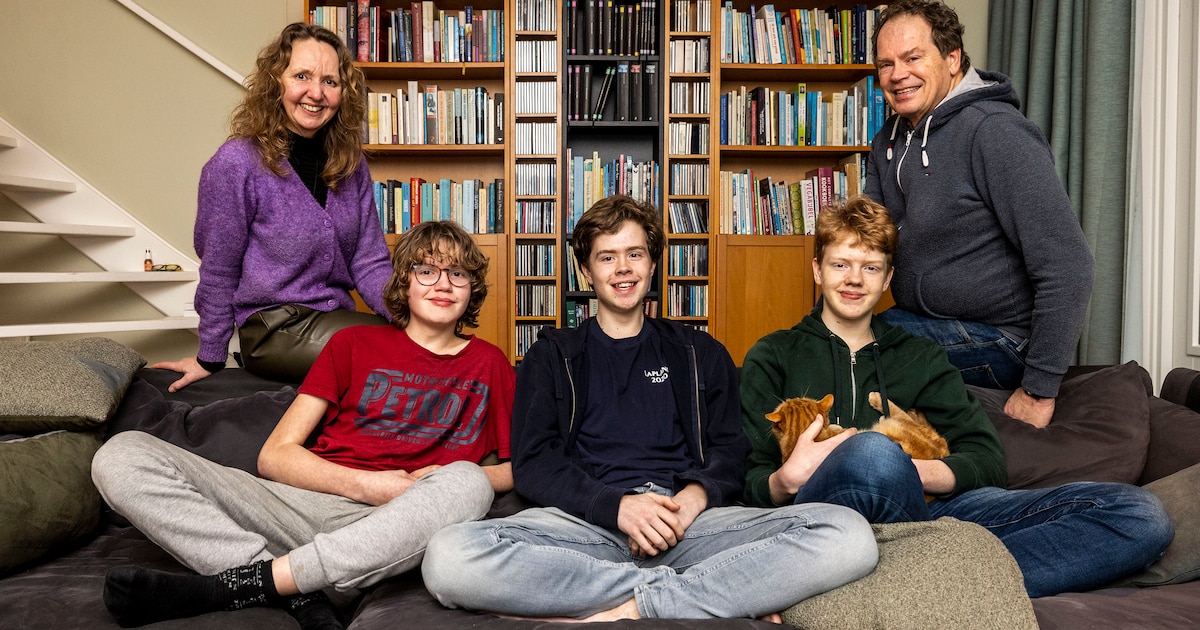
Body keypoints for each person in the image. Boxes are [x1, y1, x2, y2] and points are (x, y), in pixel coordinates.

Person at [420, 195, 877, 622]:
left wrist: (693, 499)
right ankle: (697, 592)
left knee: (848, 534)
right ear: (586, 271)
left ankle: (635, 604)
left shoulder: (700, 353)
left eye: (635, 254)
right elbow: (534, 462)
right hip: (585, 526)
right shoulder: (552, 355)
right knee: (450, 557)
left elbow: (730, 449)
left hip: (687, 524)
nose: (623, 268)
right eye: (607, 257)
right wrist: (617, 507)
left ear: (653, 263)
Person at [740, 196, 1172, 598]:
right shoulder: (773, 354)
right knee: (869, 451)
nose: (854, 279)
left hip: (930, 516)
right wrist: (784, 481)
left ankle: (918, 583)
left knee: (1138, 514)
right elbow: (747, 480)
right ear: (818, 270)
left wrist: (907, 471)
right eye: (841, 264)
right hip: (824, 519)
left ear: (888, 278)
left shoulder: (920, 356)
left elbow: (986, 460)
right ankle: (918, 576)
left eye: (870, 267)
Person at [91, 221, 515, 629]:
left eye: (457, 273)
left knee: (470, 483)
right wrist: (370, 485)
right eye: (426, 271)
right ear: (404, 282)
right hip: (303, 507)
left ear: (471, 288)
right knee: (122, 454)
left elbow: (520, 467)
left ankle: (249, 585)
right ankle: (295, 589)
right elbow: (275, 456)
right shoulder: (352, 343)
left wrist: (442, 477)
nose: (443, 284)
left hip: (405, 521)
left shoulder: (491, 363)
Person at [862, 0, 1094, 429]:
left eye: (913, 58)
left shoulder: (995, 131)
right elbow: (868, 243)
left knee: (856, 355)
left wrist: (1038, 390)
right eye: (886, 64)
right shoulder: (888, 140)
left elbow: (1069, 264)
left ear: (952, 59)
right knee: (826, 338)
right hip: (928, 321)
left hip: (1002, 338)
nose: (897, 74)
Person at [155, 22, 393, 391]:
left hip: (333, 320)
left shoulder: (351, 164)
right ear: (275, 82)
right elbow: (219, 268)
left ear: (343, 92)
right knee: (388, 353)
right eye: (302, 76)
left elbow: (370, 261)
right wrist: (211, 355)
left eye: (330, 81)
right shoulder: (237, 162)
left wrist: (412, 314)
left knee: (424, 342)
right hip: (271, 329)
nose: (316, 93)